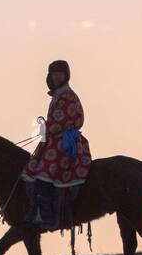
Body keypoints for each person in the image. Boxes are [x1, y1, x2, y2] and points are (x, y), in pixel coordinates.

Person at [23, 60, 92, 227]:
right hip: (55, 139)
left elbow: (63, 119)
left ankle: (45, 214)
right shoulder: (58, 95)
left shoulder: (67, 96)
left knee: (43, 171)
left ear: (65, 76)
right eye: (54, 74)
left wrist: (47, 127)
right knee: (31, 167)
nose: (57, 77)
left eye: (60, 74)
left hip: (64, 141)